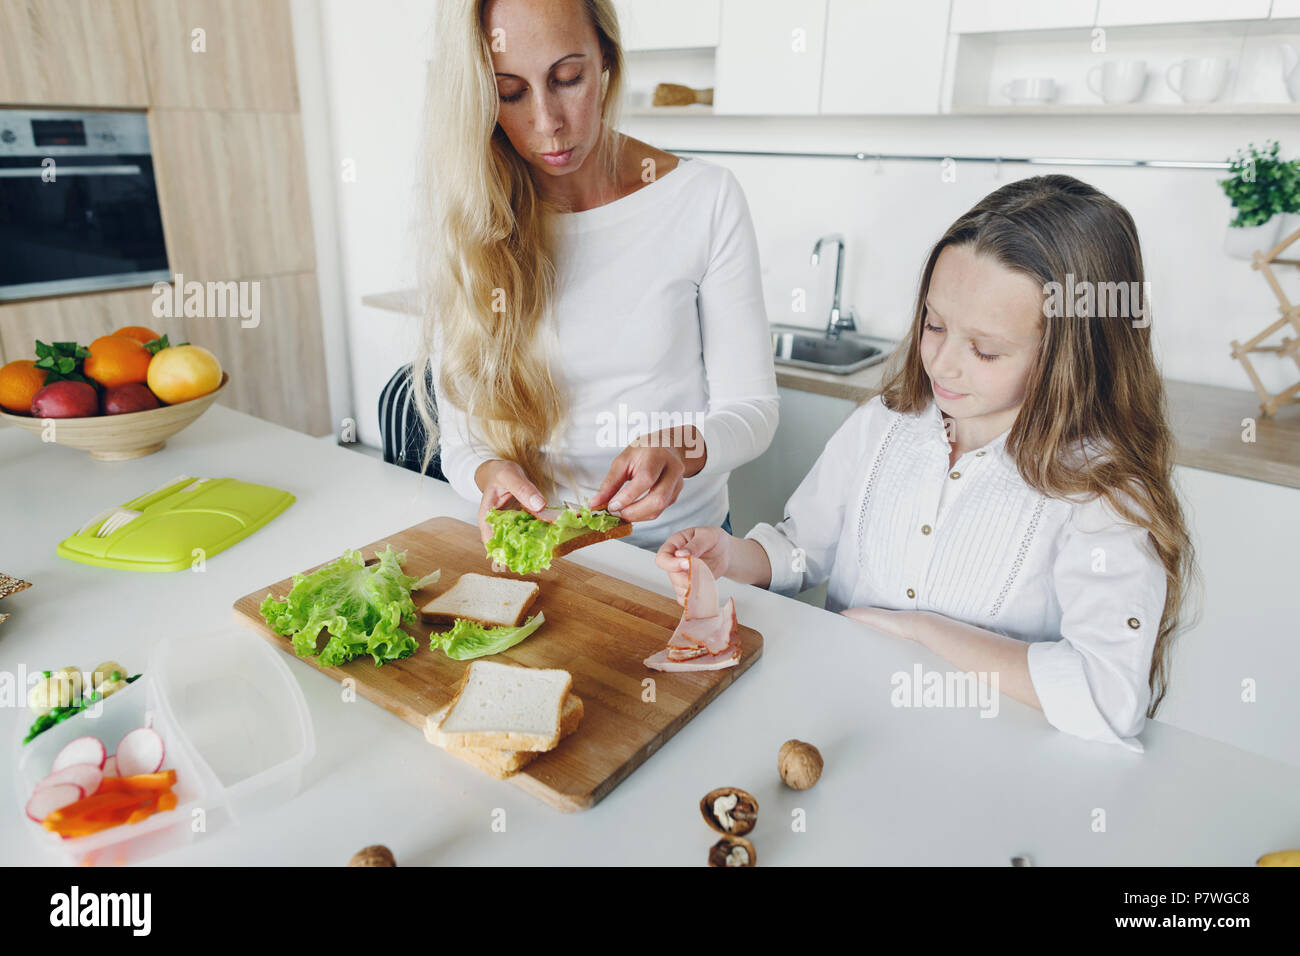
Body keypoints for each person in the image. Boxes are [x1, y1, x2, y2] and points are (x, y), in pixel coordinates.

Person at [656, 175, 1197, 752]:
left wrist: (919, 632)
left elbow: (1108, 695)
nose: (942, 361)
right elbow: (803, 547)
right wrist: (733, 557)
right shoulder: (884, 424)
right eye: (934, 324)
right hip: (845, 731)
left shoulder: (1103, 492)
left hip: (982, 769)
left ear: (1074, 352)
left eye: (986, 349)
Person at [411, 0, 778, 551]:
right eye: (510, 92)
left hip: (682, 550)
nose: (548, 123)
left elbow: (753, 410)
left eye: (567, 78)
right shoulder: (472, 220)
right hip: (548, 557)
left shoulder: (704, 198)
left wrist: (683, 446)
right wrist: (488, 477)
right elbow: (465, 442)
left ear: (605, 58)